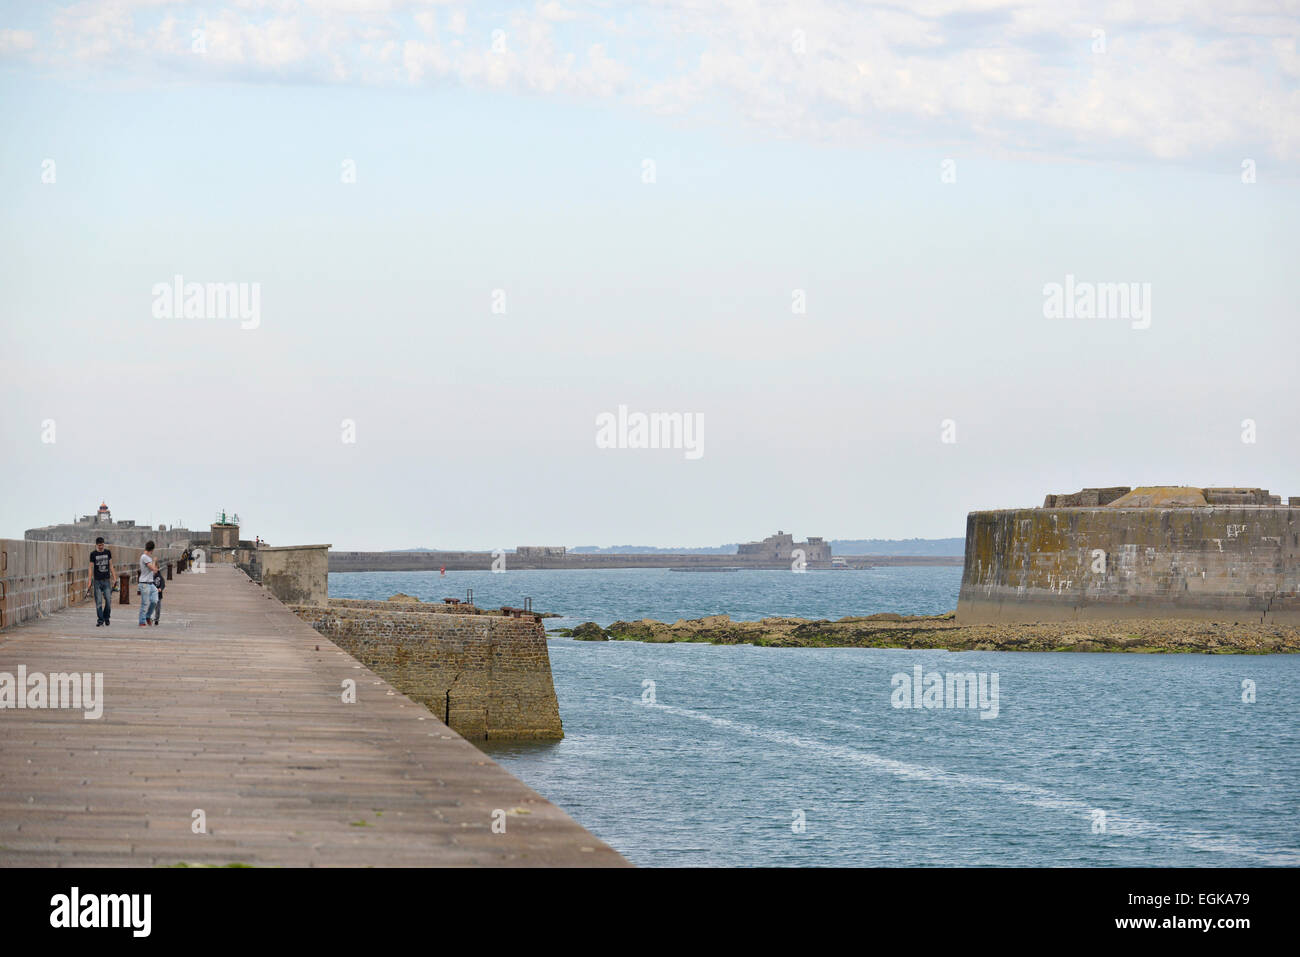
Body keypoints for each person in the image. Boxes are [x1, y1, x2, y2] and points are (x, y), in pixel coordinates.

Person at [88, 537, 114, 627]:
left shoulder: (108, 552)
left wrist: (114, 578)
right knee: (98, 601)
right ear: (96, 545)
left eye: (102, 545)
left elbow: (111, 566)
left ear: (104, 544)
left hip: (106, 580)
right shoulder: (93, 554)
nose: (101, 547)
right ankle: (100, 620)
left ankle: (106, 618)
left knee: (108, 600)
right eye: (99, 545)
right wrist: (89, 581)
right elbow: (91, 568)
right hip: (97, 581)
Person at [139, 541, 160, 627]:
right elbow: (154, 569)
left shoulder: (147, 558)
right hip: (144, 583)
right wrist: (154, 561)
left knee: (155, 600)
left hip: (151, 583)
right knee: (145, 603)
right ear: (152, 549)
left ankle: (147, 616)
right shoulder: (145, 557)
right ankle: (142, 621)